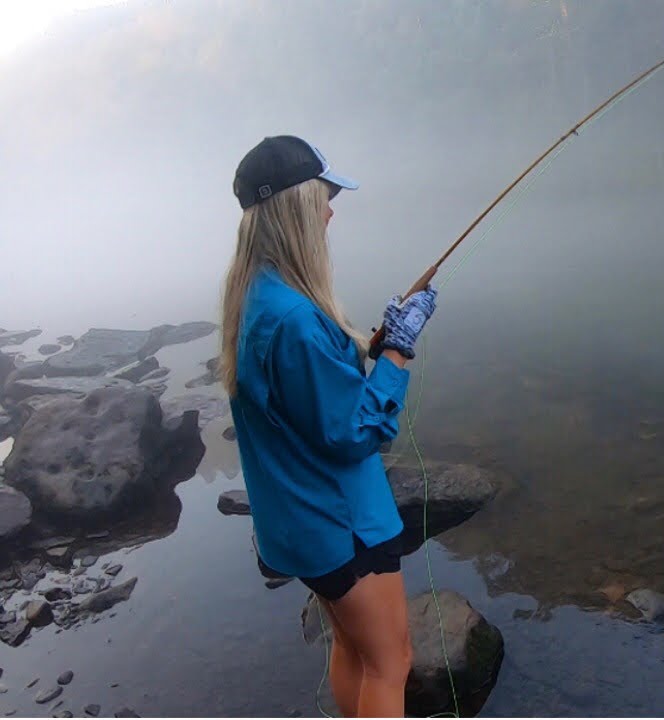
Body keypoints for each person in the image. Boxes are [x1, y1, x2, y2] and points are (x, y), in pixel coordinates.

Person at [218, 135, 438, 718]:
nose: (331, 209)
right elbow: (354, 434)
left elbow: (307, 399)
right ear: (294, 207)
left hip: (299, 525)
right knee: (392, 664)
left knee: (351, 646)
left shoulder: (256, 294)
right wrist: (397, 355)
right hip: (339, 525)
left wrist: (369, 346)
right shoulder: (293, 317)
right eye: (325, 195)